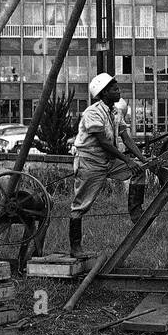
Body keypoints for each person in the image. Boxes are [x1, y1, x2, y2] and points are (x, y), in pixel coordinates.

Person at [66, 73, 149, 258]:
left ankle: (136, 212)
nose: (118, 90)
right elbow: (104, 143)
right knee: (81, 205)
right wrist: (127, 160)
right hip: (90, 162)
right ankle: (75, 247)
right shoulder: (92, 112)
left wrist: (142, 160)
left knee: (139, 171)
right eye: (114, 89)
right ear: (104, 93)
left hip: (108, 161)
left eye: (117, 87)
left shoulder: (115, 112)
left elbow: (126, 138)